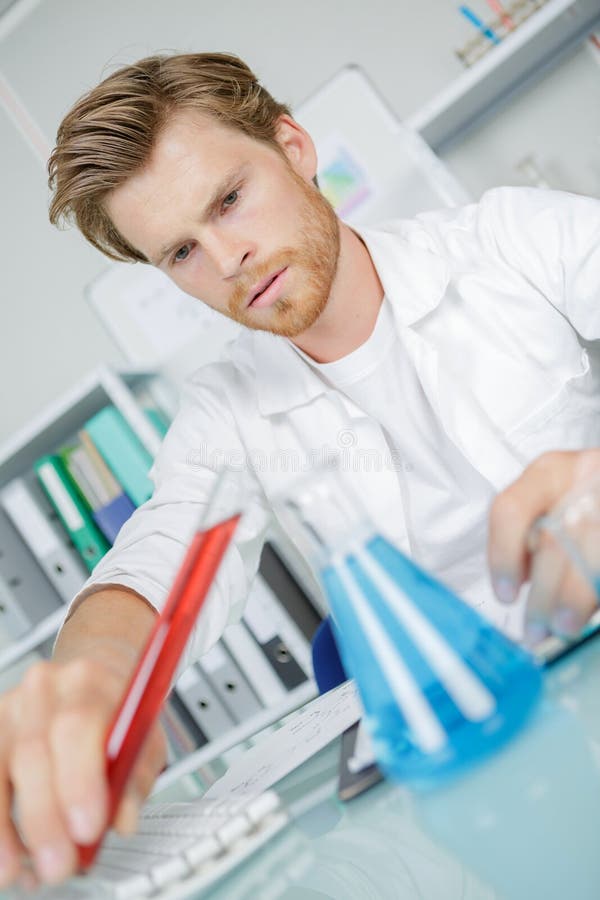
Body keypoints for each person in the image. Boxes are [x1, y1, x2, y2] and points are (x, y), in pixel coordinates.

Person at [0, 51, 599, 888]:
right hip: (478, 771)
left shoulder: (504, 240)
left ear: (294, 145)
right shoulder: (228, 411)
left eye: (230, 199)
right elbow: (158, 555)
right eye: (181, 252)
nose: (228, 258)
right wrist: (93, 681)